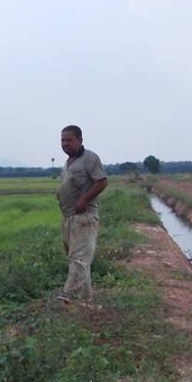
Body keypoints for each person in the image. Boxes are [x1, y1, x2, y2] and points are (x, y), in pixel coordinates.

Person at [56, 125, 108, 303]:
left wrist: (84, 199)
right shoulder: (68, 162)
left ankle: (69, 298)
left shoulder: (89, 158)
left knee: (79, 259)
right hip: (69, 218)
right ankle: (85, 302)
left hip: (84, 217)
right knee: (77, 259)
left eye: (69, 140)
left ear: (80, 140)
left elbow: (101, 181)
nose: (65, 143)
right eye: (62, 140)